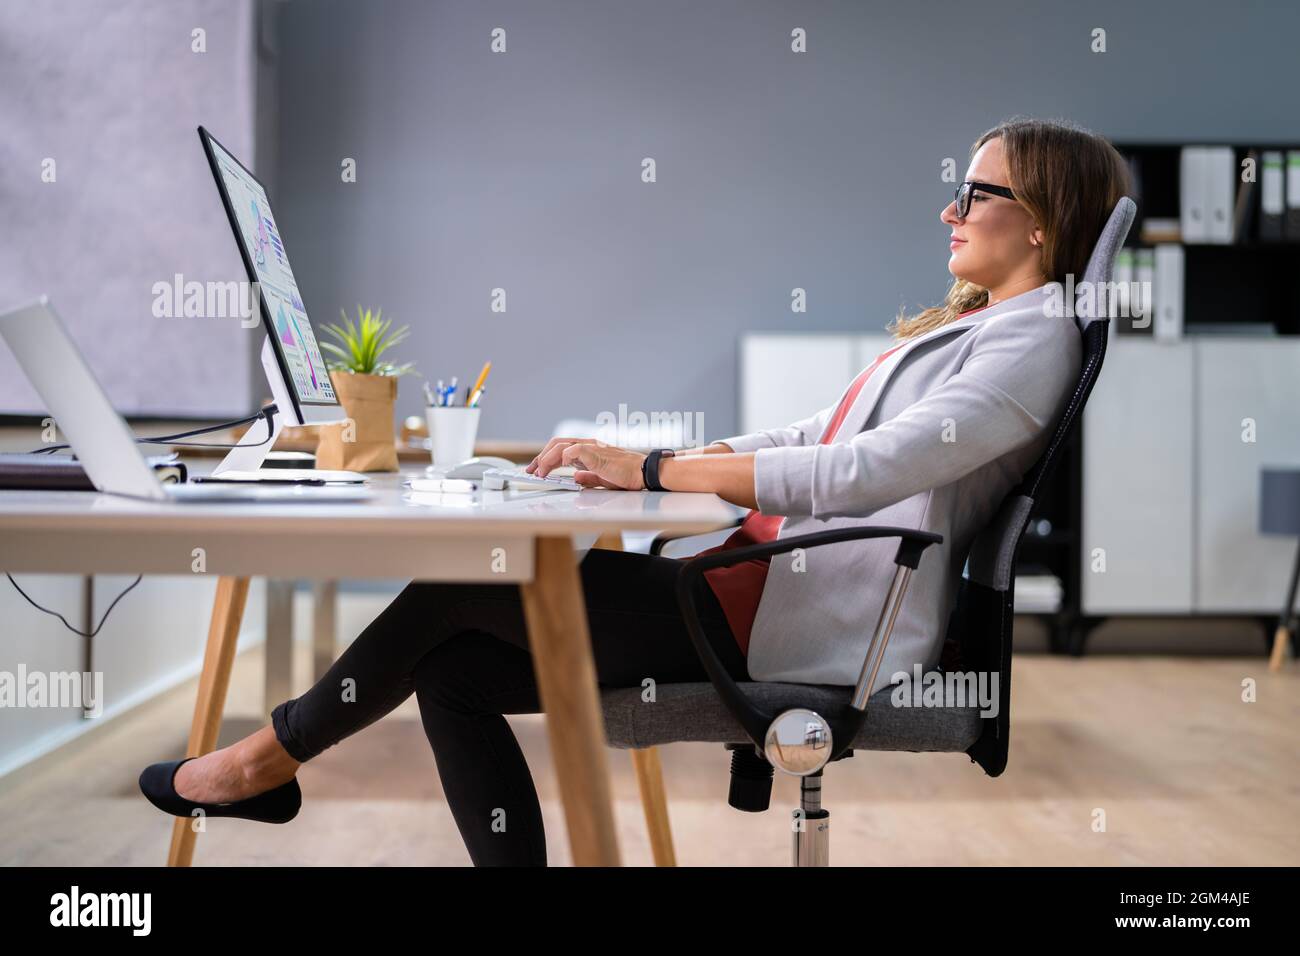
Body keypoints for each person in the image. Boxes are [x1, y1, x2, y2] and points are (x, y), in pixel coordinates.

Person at [140, 117, 1130, 866]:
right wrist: (646, 455)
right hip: (759, 589)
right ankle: (267, 766)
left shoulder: (1030, 341)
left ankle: (261, 762)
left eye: (974, 191)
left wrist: (655, 474)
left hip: (799, 625)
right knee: (455, 664)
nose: (948, 210)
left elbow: (859, 475)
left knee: (463, 589)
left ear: (1038, 221)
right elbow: (814, 438)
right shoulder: (980, 330)